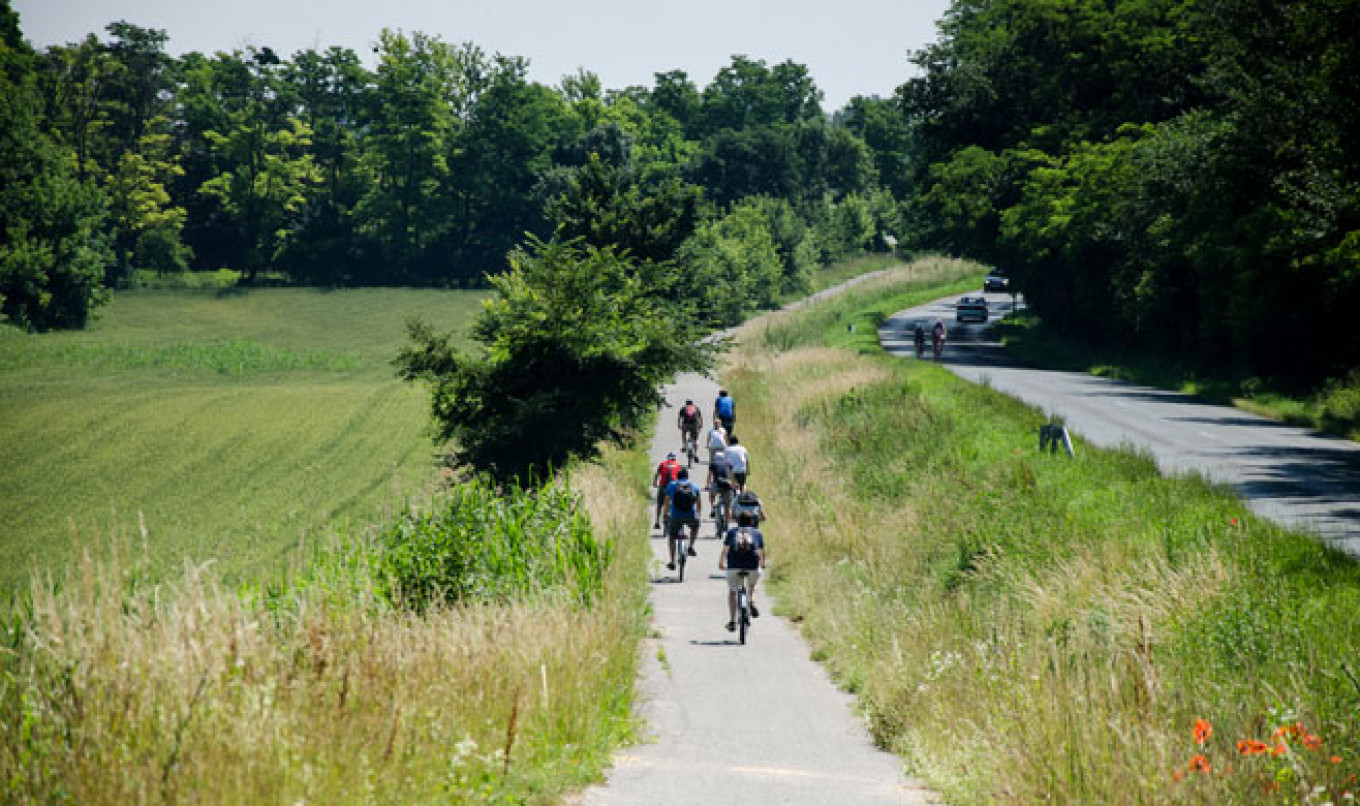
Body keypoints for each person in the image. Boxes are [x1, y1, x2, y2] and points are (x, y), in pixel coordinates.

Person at [718, 511, 766, 632]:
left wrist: (721, 563)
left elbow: (725, 550)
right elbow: (761, 551)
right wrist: (762, 564)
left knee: (733, 592)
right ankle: (750, 600)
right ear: (752, 521)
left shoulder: (732, 532)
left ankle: (733, 620)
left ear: (738, 521)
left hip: (734, 566)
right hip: (752, 567)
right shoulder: (757, 532)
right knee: (752, 584)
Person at [663, 468, 702, 570]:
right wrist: (698, 514)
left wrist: (665, 514)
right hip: (691, 515)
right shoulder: (694, 486)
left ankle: (672, 561)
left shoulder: (672, 485)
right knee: (695, 527)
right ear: (687, 477)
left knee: (672, 536)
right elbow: (699, 504)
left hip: (675, 516)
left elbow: (667, 502)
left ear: (677, 476)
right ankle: (690, 546)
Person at [652, 451, 683, 529]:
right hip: (674, 486)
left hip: (663, 485)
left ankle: (657, 522)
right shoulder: (678, 465)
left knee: (660, 504)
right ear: (675, 458)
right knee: (678, 502)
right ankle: (679, 521)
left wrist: (655, 483)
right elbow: (681, 477)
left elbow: (657, 474)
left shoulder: (662, 464)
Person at [706, 447, 736, 521]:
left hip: (717, 484)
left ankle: (713, 507)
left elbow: (709, 476)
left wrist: (707, 485)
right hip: (728, 485)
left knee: (711, 495)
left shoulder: (713, 463)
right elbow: (732, 476)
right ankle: (727, 523)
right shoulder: (729, 463)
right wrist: (733, 484)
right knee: (728, 507)